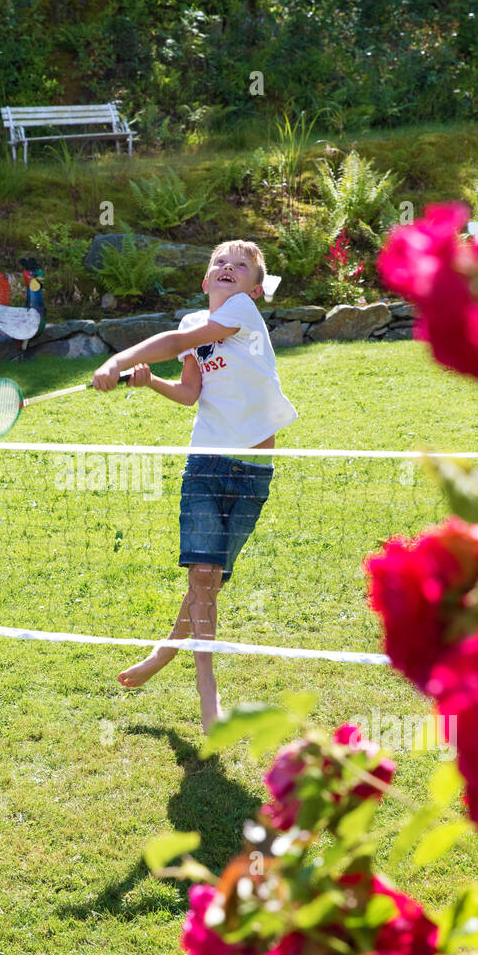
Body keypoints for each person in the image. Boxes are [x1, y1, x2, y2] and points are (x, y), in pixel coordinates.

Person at [92, 239, 298, 732]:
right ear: (206, 281)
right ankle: (209, 692)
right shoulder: (193, 327)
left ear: (253, 286)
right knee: (203, 575)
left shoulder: (242, 312)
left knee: (213, 578)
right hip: (204, 464)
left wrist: (117, 359)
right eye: (219, 263)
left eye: (241, 265)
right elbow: (189, 392)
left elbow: (167, 343)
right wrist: (147, 383)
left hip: (252, 471)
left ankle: (163, 652)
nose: (229, 267)